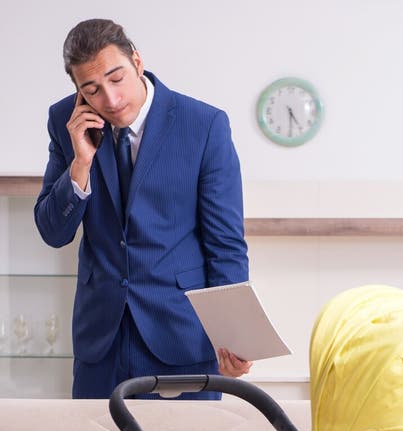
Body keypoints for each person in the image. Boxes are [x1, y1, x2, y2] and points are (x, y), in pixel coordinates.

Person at [34, 18, 252, 399]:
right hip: (100, 344)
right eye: (93, 90)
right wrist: (80, 163)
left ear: (136, 61)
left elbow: (225, 245)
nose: (111, 100)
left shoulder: (203, 125)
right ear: (79, 92)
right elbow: (54, 232)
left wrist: (234, 336)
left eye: (116, 79)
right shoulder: (65, 122)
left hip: (182, 338)